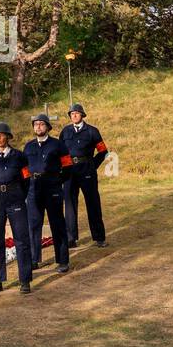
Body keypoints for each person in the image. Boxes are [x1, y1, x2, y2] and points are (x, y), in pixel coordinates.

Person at [0, 121, 32, 294]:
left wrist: (18, 196)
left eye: (1, 135)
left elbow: (27, 180)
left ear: (8, 137)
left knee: (22, 239)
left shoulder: (19, 156)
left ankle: (25, 280)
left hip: (15, 199)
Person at [24, 113, 72, 274]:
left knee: (57, 224)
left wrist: (57, 181)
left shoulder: (58, 145)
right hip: (33, 189)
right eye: (36, 124)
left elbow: (68, 166)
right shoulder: (28, 146)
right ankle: (33, 259)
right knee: (33, 225)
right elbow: (24, 171)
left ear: (48, 127)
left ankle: (63, 260)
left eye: (41, 124)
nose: (38, 127)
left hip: (52, 188)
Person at [60, 103, 109, 248]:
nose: (74, 115)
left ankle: (99, 237)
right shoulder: (65, 131)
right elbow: (60, 152)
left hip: (87, 170)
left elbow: (102, 150)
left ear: (82, 115)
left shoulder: (92, 131)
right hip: (69, 171)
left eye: (76, 113)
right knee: (69, 204)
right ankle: (71, 237)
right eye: (71, 114)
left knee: (93, 202)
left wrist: (93, 165)